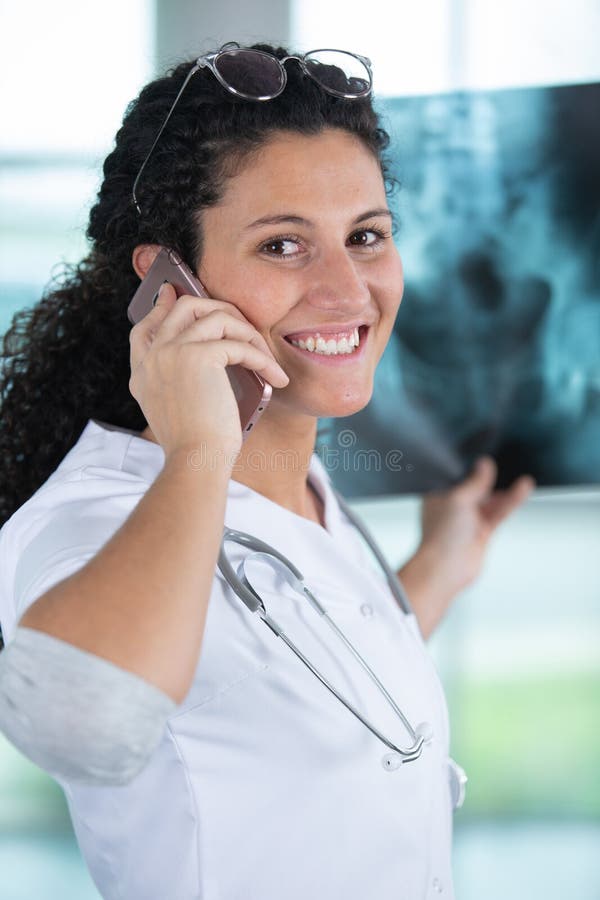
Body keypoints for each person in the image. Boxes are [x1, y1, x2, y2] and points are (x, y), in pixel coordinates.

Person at [0, 42, 533, 900]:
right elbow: (82, 724)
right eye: (283, 245)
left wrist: (437, 569)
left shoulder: (302, 483)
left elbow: (284, 684)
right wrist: (199, 449)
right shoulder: (95, 518)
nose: (348, 291)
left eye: (366, 236)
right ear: (169, 286)